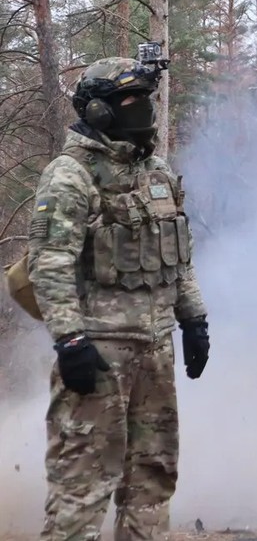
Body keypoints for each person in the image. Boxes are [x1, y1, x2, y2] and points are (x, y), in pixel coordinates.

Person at [27, 56, 210, 540]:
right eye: (131, 100)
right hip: (99, 350)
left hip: (155, 347)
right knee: (84, 480)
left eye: (146, 99)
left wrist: (194, 320)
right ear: (100, 112)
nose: (143, 110)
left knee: (153, 475)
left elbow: (179, 255)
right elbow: (50, 263)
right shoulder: (71, 175)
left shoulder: (158, 172)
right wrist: (70, 341)